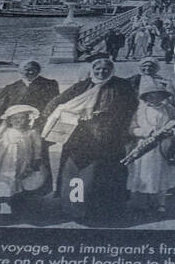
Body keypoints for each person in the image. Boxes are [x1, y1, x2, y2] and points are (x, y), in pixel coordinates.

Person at [56, 57, 138, 222]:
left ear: (111, 70)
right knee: (77, 174)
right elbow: (58, 104)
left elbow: (131, 109)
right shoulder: (81, 86)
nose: (102, 72)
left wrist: (120, 128)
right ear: (92, 70)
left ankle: (106, 210)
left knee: (107, 174)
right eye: (98, 69)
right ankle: (75, 210)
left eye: (105, 69)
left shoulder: (122, 86)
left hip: (111, 137)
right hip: (80, 137)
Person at [126, 77, 175, 215]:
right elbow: (132, 128)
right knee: (146, 174)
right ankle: (143, 202)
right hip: (145, 148)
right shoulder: (139, 111)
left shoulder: (169, 109)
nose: (154, 97)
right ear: (145, 96)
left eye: (158, 94)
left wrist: (172, 132)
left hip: (164, 146)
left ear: (163, 95)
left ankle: (160, 202)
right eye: (151, 94)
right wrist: (146, 132)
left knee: (161, 174)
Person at [0, 106, 45, 216]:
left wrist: (37, 158)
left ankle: (13, 202)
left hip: (21, 162)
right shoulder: (2, 131)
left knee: (16, 180)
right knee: (1, 181)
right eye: (14, 118)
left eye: (22, 118)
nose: (18, 120)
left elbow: (37, 146)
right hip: (1, 162)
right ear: (9, 120)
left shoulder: (31, 132)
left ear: (28, 119)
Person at [0, 61, 59, 141]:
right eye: (27, 69)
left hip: (40, 126)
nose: (31, 72)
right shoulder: (10, 88)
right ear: (20, 71)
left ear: (39, 70)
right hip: (16, 128)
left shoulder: (50, 84)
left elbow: (54, 105)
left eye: (34, 69)